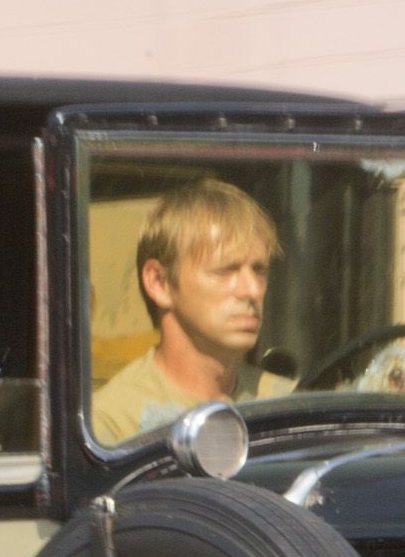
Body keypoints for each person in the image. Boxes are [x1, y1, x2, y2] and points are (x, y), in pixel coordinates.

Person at [89, 178, 297, 445]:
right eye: (225, 270)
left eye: (259, 270)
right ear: (159, 283)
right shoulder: (112, 425)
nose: (252, 290)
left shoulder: (289, 403)